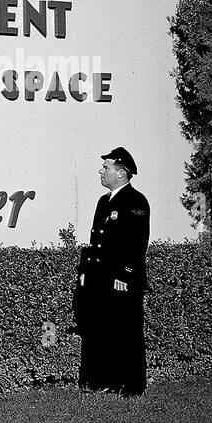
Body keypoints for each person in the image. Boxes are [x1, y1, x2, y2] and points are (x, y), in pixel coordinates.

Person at [75, 147, 149, 395]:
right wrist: (86, 270)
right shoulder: (104, 201)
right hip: (100, 277)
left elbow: (136, 243)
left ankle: (131, 386)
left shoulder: (136, 201)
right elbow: (96, 241)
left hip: (121, 279)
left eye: (106, 167)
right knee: (102, 330)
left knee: (126, 332)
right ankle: (103, 381)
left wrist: (125, 275)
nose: (101, 171)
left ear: (121, 173)